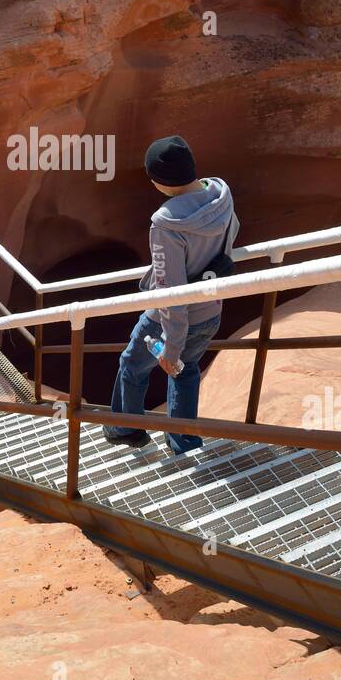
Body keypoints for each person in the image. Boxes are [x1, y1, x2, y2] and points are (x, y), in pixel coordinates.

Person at [106, 135, 238, 456]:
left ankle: (127, 429)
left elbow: (169, 291)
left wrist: (172, 343)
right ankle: (184, 443)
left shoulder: (166, 226)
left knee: (133, 364)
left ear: (159, 182)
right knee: (185, 370)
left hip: (171, 321)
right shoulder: (220, 197)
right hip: (211, 311)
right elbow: (231, 236)